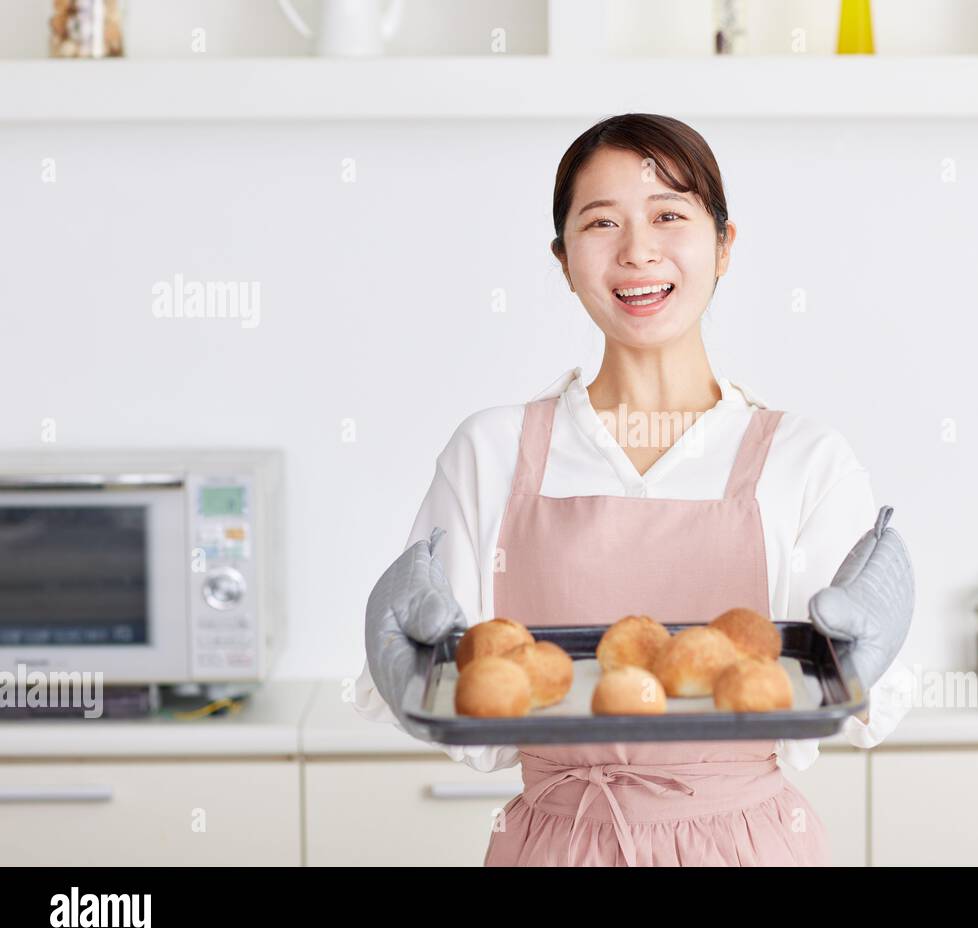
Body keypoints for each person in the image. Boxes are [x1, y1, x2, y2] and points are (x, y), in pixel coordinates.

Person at [355, 113, 917, 866]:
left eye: (668, 216)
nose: (637, 251)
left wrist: (867, 659)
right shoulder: (489, 451)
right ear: (563, 259)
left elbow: (860, 708)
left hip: (749, 846)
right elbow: (458, 704)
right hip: (556, 844)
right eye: (600, 223)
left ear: (724, 245)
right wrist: (406, 668)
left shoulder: (804, 458)